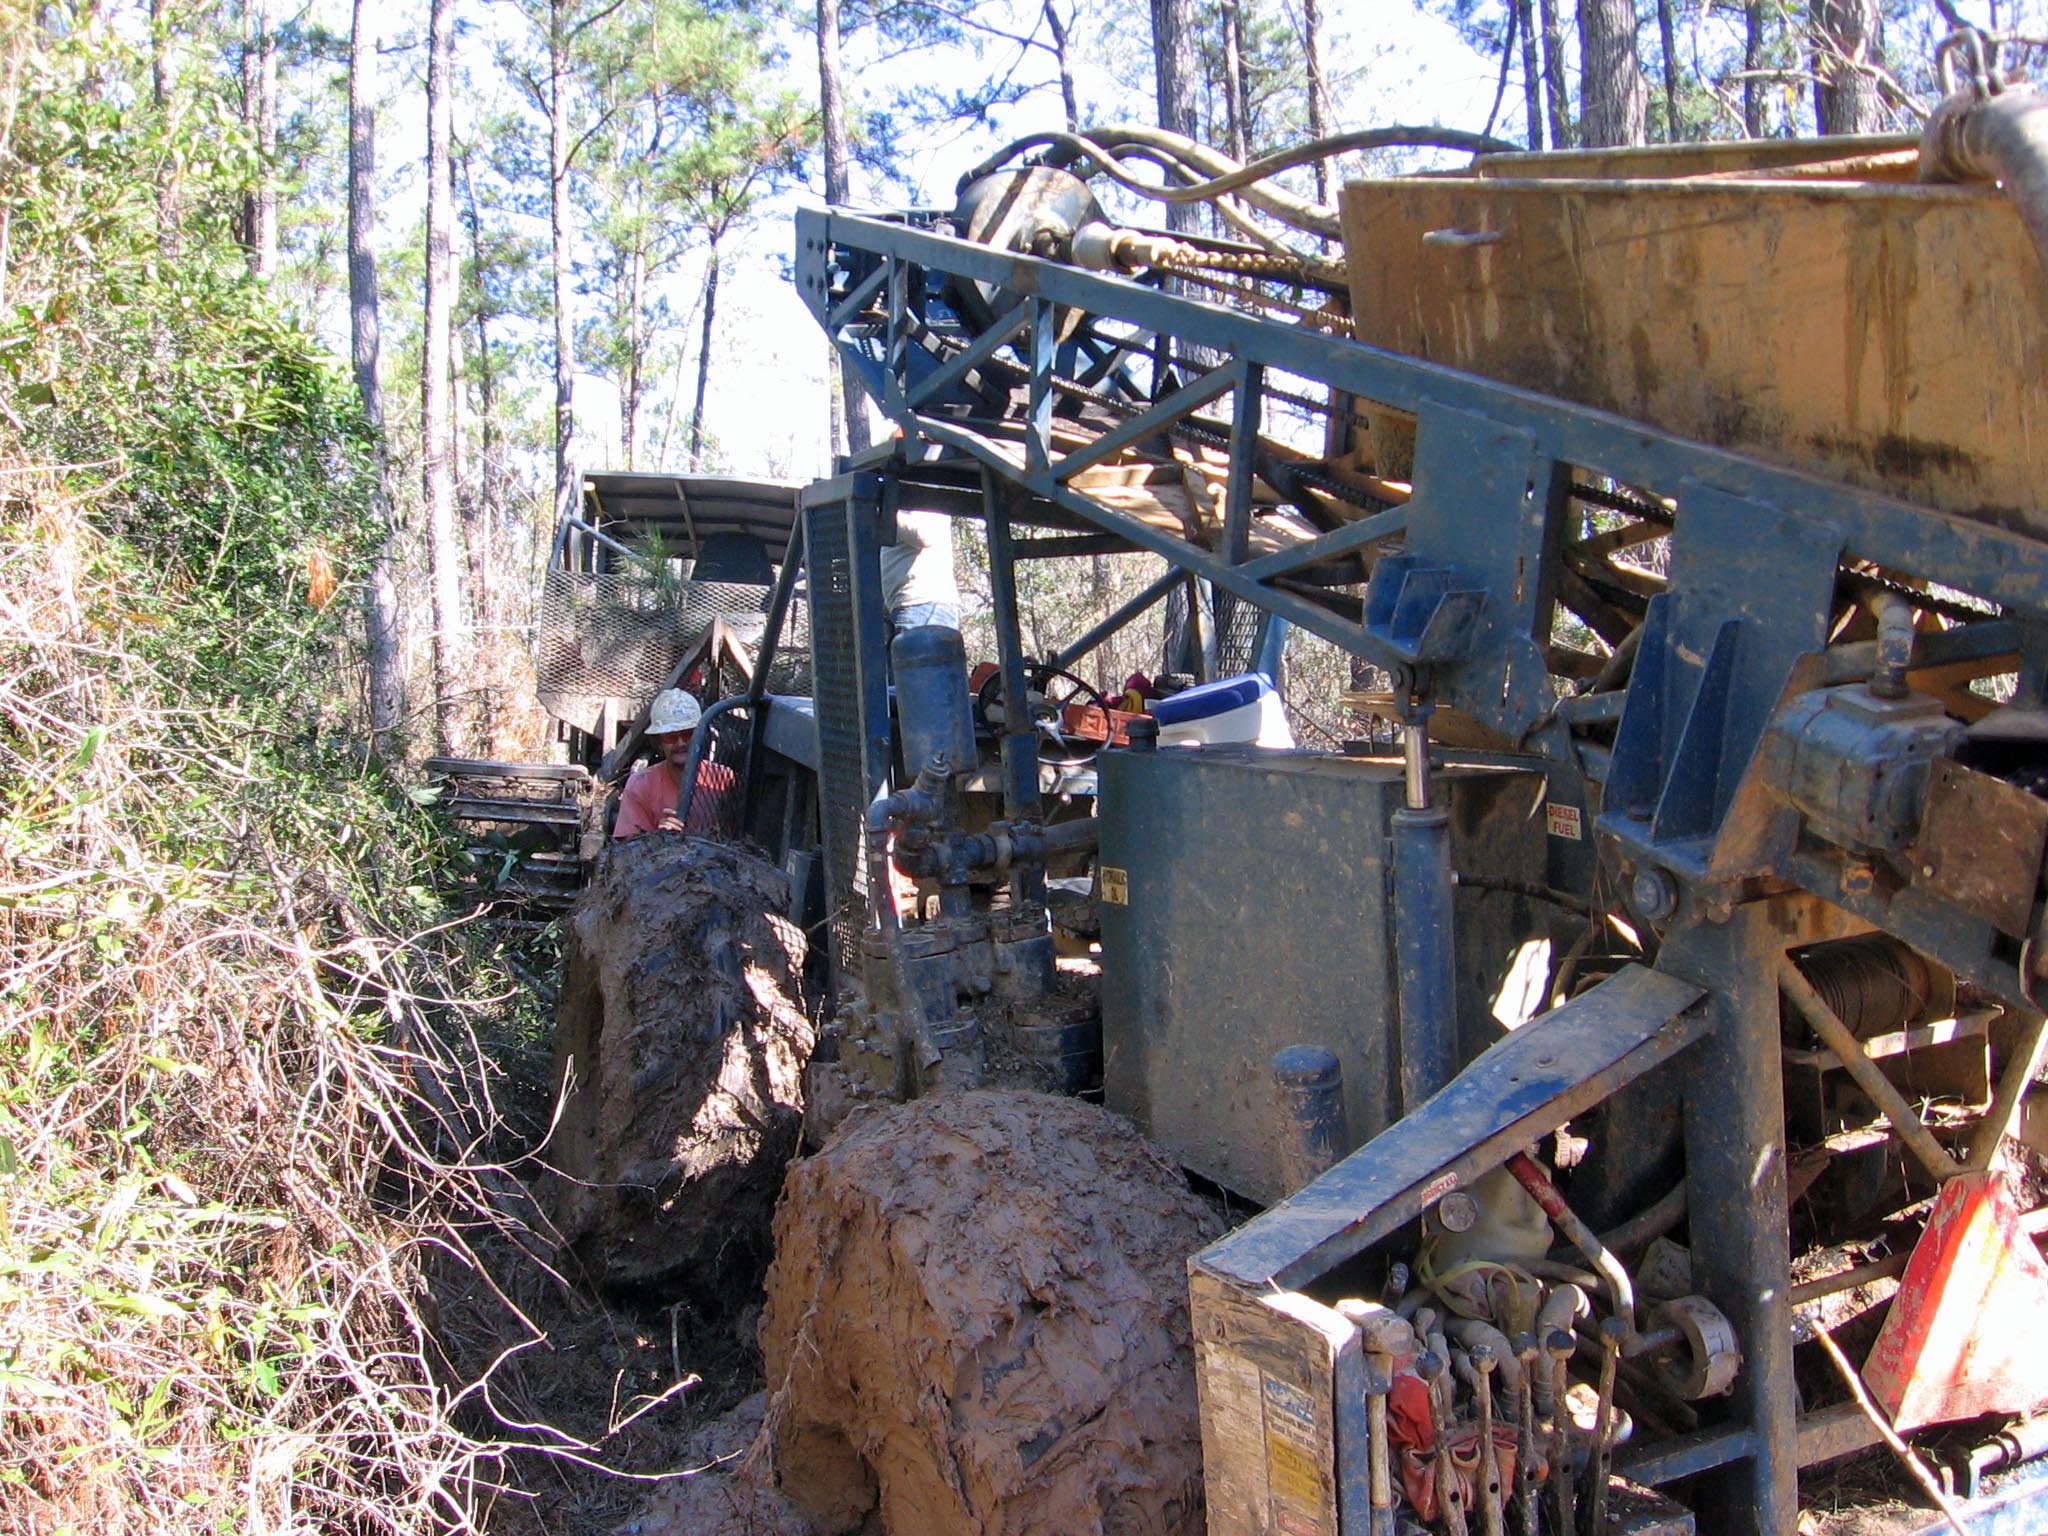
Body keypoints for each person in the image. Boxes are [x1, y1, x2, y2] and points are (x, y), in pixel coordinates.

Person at [613, 688, 736, 838]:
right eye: (670, 737)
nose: (680, 743)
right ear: (659, 742)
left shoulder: (723, 779)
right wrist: (658, 838)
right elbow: (627, 846)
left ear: (701, 735)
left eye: (687, 734)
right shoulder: (640, 785)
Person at [880, 508, 961, 634]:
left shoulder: (927, 500)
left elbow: (925, 533)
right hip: (908, 608)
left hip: (924, 607)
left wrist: (883, 513)